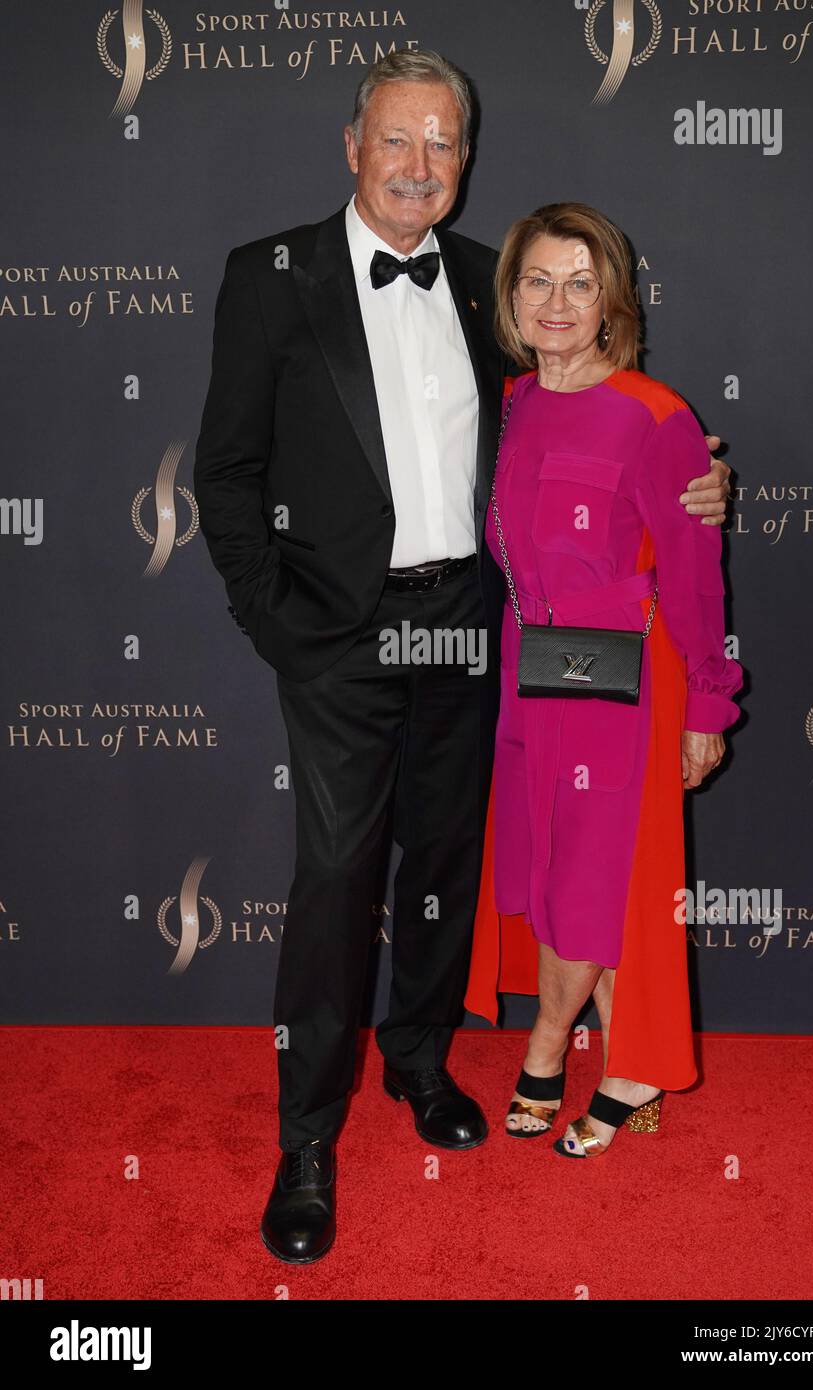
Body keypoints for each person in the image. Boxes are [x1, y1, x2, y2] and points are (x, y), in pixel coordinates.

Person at [193, 51, 731, 1262]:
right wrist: (274, 620)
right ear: (351, 145)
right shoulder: (269, 278)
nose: (419, 164)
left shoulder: (496, 284)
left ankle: (421, 1063)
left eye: (442, 144)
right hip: (335, 630)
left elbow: (593, 410)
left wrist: (693, 477)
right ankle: (308, 1135)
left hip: (473, 625)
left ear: (464, 161)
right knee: (337, 877)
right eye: (397, 139)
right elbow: (223, 473)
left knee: (445, 853)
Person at [480, 202, 743, 1156]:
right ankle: (613, 1051)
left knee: (594, 875)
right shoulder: (511, 405)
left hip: (626, 688)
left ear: (612, 303)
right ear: (511, 296)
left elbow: (694, 576)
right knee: (561, 873)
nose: (557, 302)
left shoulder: (657, 415)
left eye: (581, 284)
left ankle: (568, 1051)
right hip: (534, 679)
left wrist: (708, 704)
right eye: (538, 281)